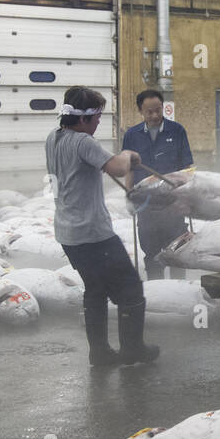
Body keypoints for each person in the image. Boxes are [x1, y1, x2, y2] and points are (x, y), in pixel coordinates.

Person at [44, 86, 158, 367]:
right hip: (93, 234)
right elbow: (118, 168)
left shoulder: (53, 138)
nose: (98, 123)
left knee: (94, 289)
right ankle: (133, 351)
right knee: (130, 289)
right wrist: (129, 155)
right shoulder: (83, 142)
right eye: (97, 117)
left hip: (68, 234)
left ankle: (100, 352)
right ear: (82, 119)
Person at [123, 89, 194, 279]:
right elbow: (129, 168)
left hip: (173, 204)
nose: (155, 115)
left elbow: (187, 168)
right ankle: (158, 291)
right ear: (141, 111)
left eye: (158, 110)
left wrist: (188, 196)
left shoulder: (177, 130)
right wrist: (129, 195)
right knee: (152, 255)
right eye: (149, 112)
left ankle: (179, 295)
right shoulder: (132, 135)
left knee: (177, 252)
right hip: (146, 205)